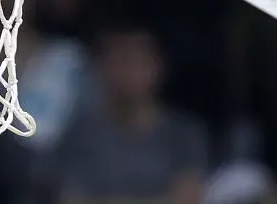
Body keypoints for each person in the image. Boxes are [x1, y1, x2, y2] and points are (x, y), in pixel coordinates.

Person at [54, 22, 209, 204]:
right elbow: (71, 199)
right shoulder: (80, 134)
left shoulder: (184, 133)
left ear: (158, 67)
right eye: (117, 61)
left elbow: (187, 198)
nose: (126, 72)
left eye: (136, 61)